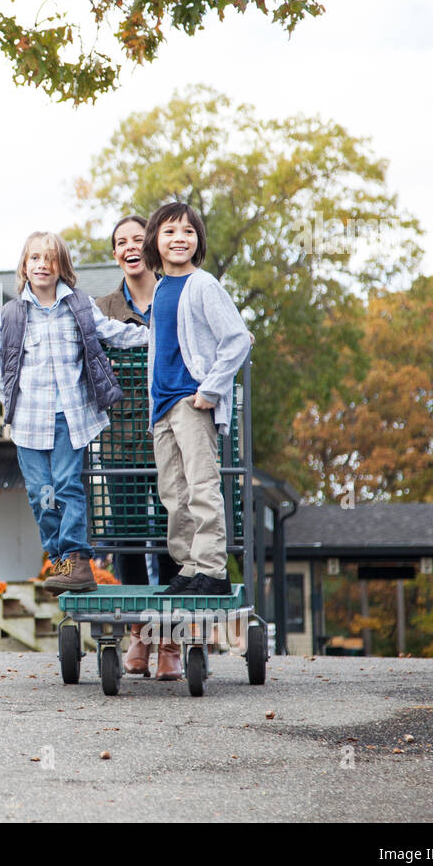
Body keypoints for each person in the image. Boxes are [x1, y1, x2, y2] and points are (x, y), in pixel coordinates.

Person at [0, 231, 149, 595]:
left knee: (66, 486)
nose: (42, 265)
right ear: (25, 266)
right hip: (29, 423)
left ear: (62, 266)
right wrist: (10, 406)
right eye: (35, 258)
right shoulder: (12, 314)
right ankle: (59, 558)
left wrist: (155, 335)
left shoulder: (79, 304)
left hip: (69, 416)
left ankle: (77, 561)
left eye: (50, 258)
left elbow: (113, 332)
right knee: (40, 493)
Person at [142, 203, 250, 600]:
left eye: (188, 232)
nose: (179, 239)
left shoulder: (203, 285)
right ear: (156, 239)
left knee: (202, 486)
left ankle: (212, 569)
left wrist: (210, 390)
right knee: (173, 491)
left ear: (198, 240)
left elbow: (236, 337)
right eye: (170, 232)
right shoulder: (160, 287)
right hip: (163, 406)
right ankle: (189, 567)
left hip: (191, 402)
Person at [94, 215, 183, 679]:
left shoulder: (177, 294)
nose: (129, 247)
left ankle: (169, 639)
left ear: (149, 246)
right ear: (115, 255)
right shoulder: (103, 307)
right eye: (120, 243)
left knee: (171, 533)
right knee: (128, 536)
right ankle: (139, 635)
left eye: (136, 239)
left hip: (171, 433)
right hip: (122, 439)